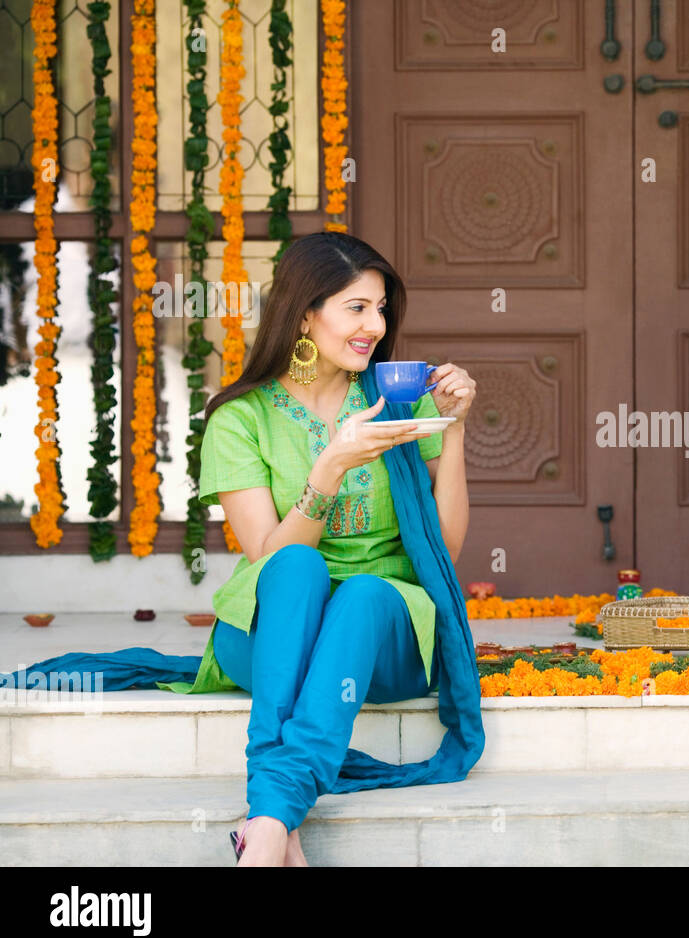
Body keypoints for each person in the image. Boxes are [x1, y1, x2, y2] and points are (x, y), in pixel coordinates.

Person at [4, 232, 486, 867]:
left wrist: (450, 430)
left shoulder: (398, 403)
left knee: (365, 593)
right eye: (357, 307)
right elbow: (269, 556)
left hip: (382, 631)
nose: (377, 324)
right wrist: (330, 467)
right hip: (276, 622)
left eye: (381, 308)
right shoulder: (239, 418)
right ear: (305, 312)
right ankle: (274, 823)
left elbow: (444, 549)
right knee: (297, 562)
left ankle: (267, 817)